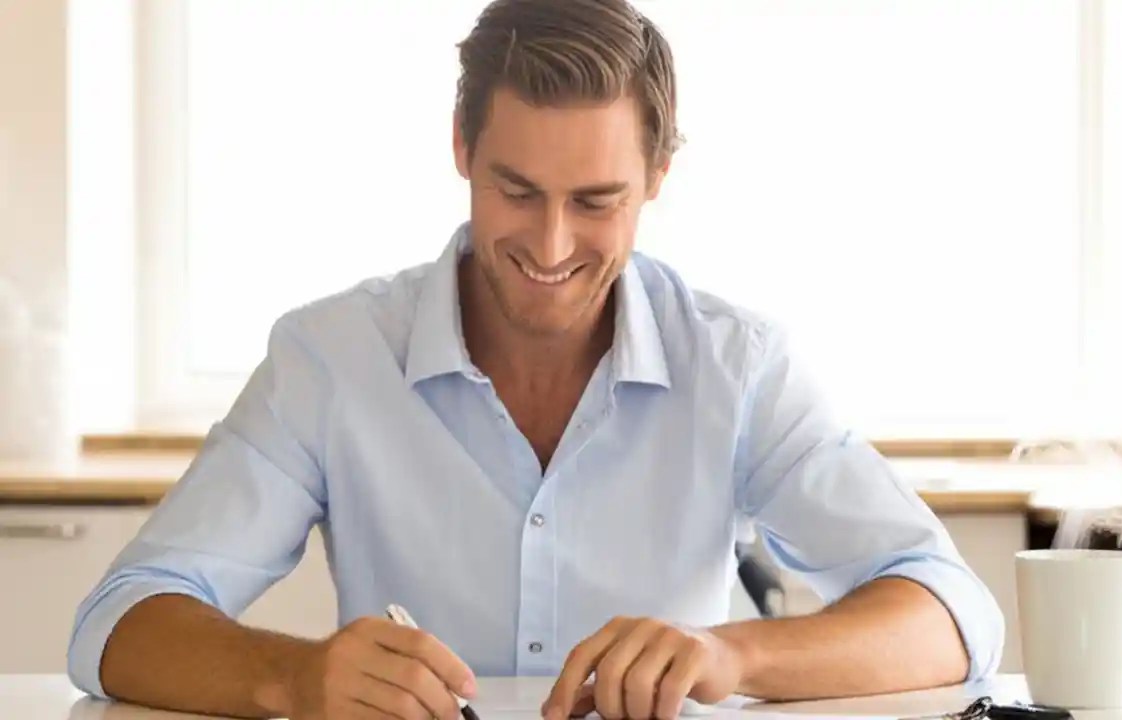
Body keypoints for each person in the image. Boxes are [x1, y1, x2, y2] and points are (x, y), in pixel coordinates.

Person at [68, 1, 1004, 718]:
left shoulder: (738, 365)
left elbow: (954, 614)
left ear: (657, 180)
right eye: (516, 191)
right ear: (461, 148)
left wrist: (731, 657)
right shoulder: (333, 359)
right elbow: (119, 623)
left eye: (598, 200)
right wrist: (295, 676)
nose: (552, 246)